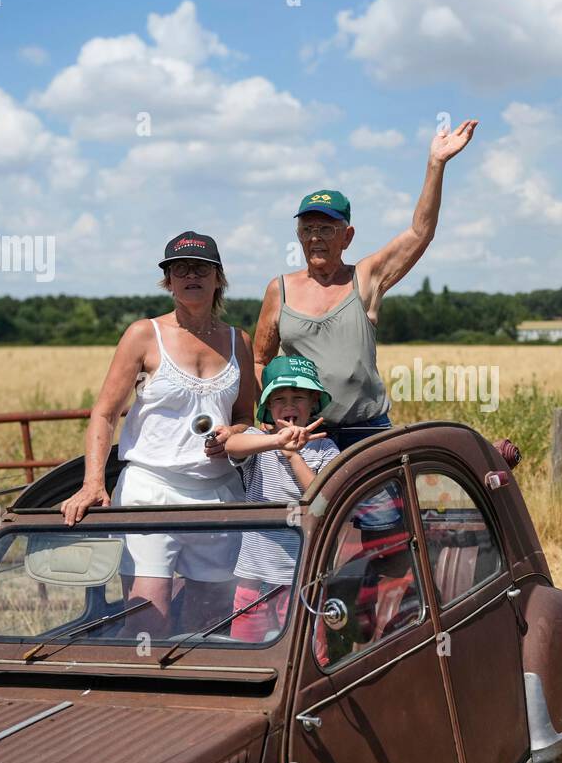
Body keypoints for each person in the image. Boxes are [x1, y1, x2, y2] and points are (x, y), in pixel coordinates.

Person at [60, 231, 256, 638]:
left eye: (200, 267)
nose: (190, 275)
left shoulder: (239, 341)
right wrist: (93, 482)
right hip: (151, 491)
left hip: (218, 495)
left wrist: (232, 434)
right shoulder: (143, 335)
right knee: (148, 623)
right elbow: (105, 413)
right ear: (167, 281)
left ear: (218, 276)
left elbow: (244, 416)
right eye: (178, 269)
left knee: (212, 625)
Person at [252, 119, 480, 450]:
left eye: (327, 229)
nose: (315, 237)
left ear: (347, 236)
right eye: (308, 229)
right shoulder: (280, 289)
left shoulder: (365, 277)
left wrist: (436, 165)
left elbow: (419, 233)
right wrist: (268, 412)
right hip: (306, 436)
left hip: (367, 433)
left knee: (381, 506)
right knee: (307, 505)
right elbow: (260, 360)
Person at [220, 355, 338, 642]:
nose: (288, 405)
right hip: (252, 581)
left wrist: (292, 455)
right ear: (268, 407)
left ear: (313, 404)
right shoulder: (258, 441)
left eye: (298, 397)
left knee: (304, 653)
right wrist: (276, 441)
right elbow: (232, 445)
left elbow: (323, 499)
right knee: (247, 656)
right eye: (278, 398)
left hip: (301, 579)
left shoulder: (325, 448)